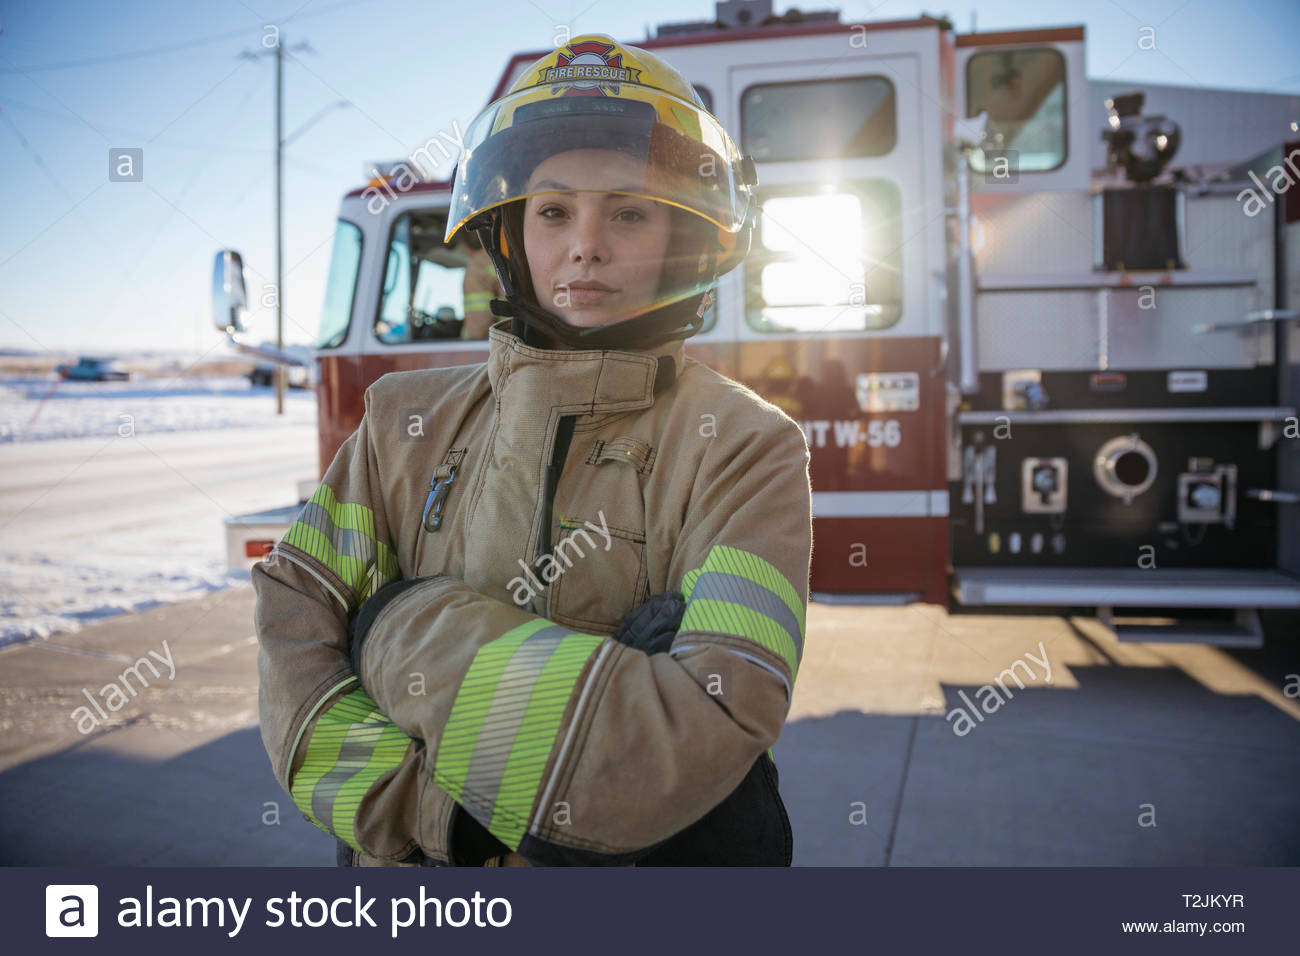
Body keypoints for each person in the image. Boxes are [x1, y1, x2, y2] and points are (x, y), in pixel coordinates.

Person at [252, 34, 812, 867]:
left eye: (629, 211)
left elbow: (708, 725)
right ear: (510, 234)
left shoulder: (745, 446)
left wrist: (399, 628)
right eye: (553, 211)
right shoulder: (399, 421)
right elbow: (293, 633)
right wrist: (443, 818)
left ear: (687, 240)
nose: (586, 244)